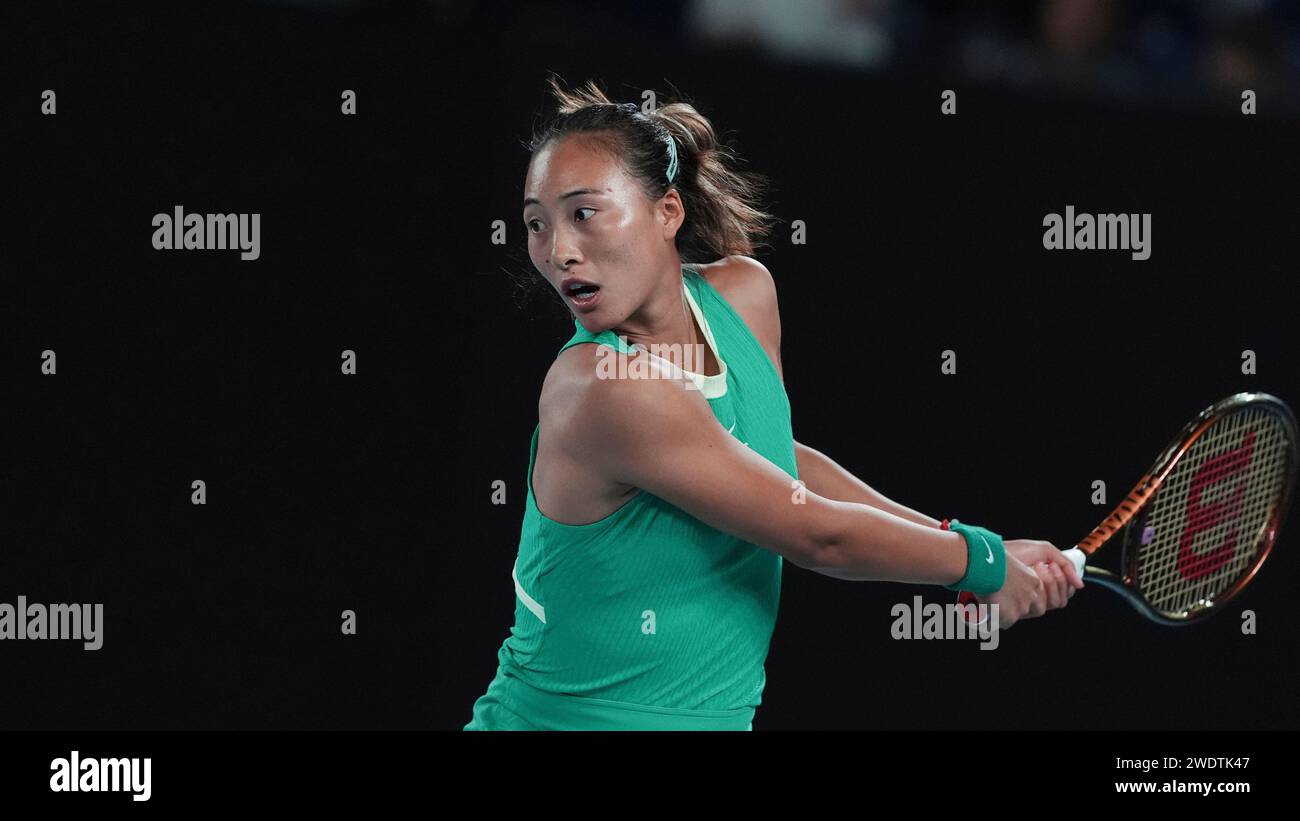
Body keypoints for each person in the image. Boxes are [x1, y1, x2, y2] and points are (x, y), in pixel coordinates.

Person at [465, 76, 1082, 731]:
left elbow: (776, 466)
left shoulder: (743, 295)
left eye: (583, 212)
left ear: (667, 211)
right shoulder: (599, 388)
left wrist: (962, 550)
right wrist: (977, 560)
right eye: (538, 224)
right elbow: (815, 533)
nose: (558, 250)